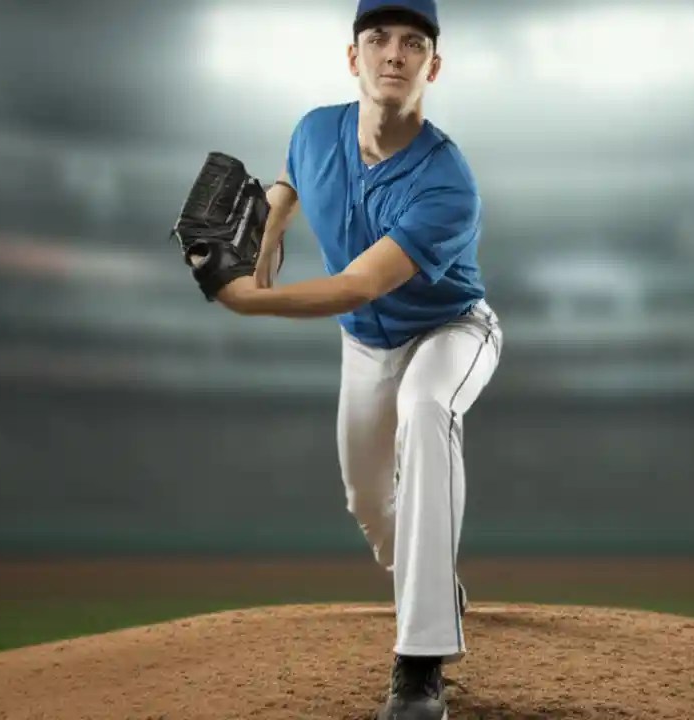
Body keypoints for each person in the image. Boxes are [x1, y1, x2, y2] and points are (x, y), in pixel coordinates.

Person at [194, 1, 500, 717]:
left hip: (449, 331)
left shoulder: (447, 182)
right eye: (378, 38)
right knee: (367, 501)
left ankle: (421, 663)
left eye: (413, 42)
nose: (395, 53)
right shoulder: (314, 127)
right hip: (366, 346)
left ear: (434, 65)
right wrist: (272, 217)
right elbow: (295, 171)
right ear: (352, 56)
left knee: (426, 411)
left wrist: (244, 299)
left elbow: (358, 283)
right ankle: (430, 581)